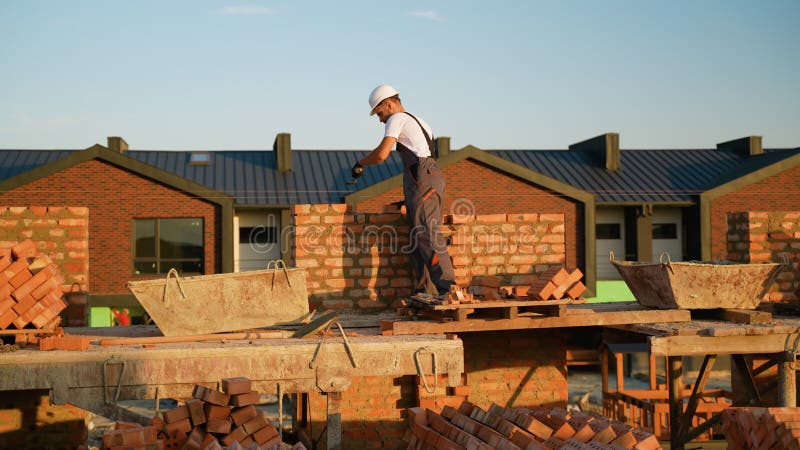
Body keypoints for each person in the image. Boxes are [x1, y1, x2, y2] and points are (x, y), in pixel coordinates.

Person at [352, 84, 456, 297]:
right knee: (420, 234)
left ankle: (447, 287)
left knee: (427, 232)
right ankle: (426, 291)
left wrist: (361, 162)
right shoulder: (420, 121)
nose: (380, 119)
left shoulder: (396, 119)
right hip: (430, 176)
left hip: (422, 175)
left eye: (380, 113)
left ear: (388, 104)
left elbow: (382, 155)